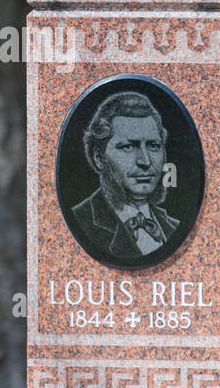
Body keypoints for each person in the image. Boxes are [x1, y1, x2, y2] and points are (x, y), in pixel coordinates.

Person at [71, 90, 179, 261]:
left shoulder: (173, 227)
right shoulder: (80, 221)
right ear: (99, 158)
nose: (145, 161)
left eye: (153, 146)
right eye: (128, 147)